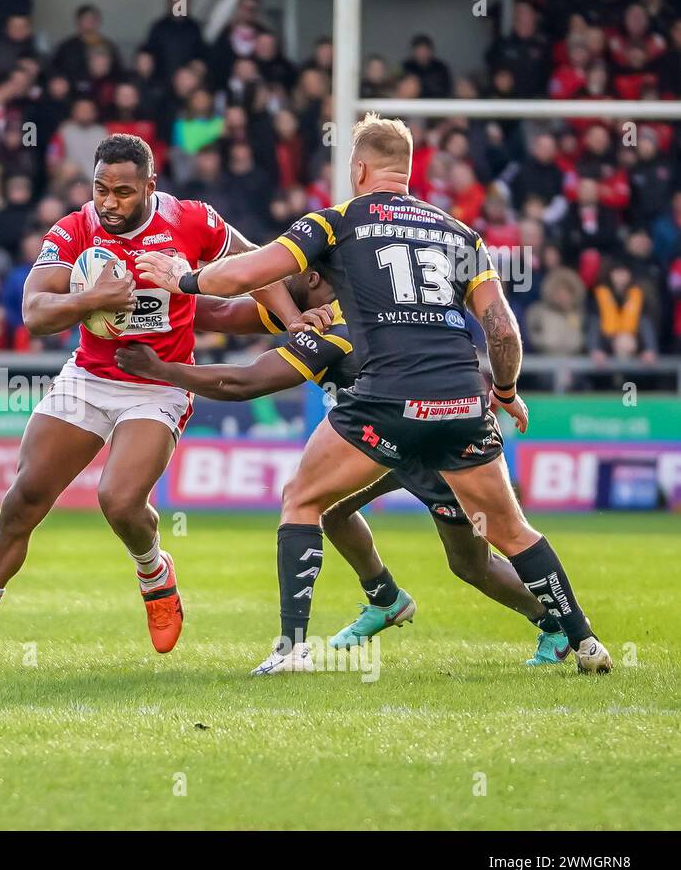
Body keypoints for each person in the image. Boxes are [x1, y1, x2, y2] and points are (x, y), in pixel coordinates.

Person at [136, 114, 612, 675]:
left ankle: (293, 649)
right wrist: (505, 391)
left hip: (386, 396)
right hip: (462, 398)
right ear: (407, 171)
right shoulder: (460, 235)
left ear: (358, 168)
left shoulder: (337, 223)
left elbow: (251, 273)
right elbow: (503, 330)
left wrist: (183, 278)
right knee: (510, 532)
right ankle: (586, 643)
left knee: (303, 500)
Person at [0, 134, 306, 667]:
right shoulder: (76, 228)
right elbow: (35, 310)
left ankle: (153, 570)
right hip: (90, 375)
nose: (109, 202)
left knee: (118, 500)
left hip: (157, 383)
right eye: (100, 189)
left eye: (122, 192)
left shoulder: (192, 221)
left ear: (149, 186)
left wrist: (296, 320)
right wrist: (93, 299)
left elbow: (258, 266)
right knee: (24, 498)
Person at [116, 273, 571, 668]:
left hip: (420, 441)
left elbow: (245, 382)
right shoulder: (309, 313)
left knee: (472, 565)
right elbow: (220, 312)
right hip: (378, 438)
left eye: (295, 272)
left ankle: (556, 622)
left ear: (314, 279)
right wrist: (143, 300)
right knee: (324, 507)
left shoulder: (340, 324)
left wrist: (162, 370)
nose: (281, 285)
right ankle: (386, 598)